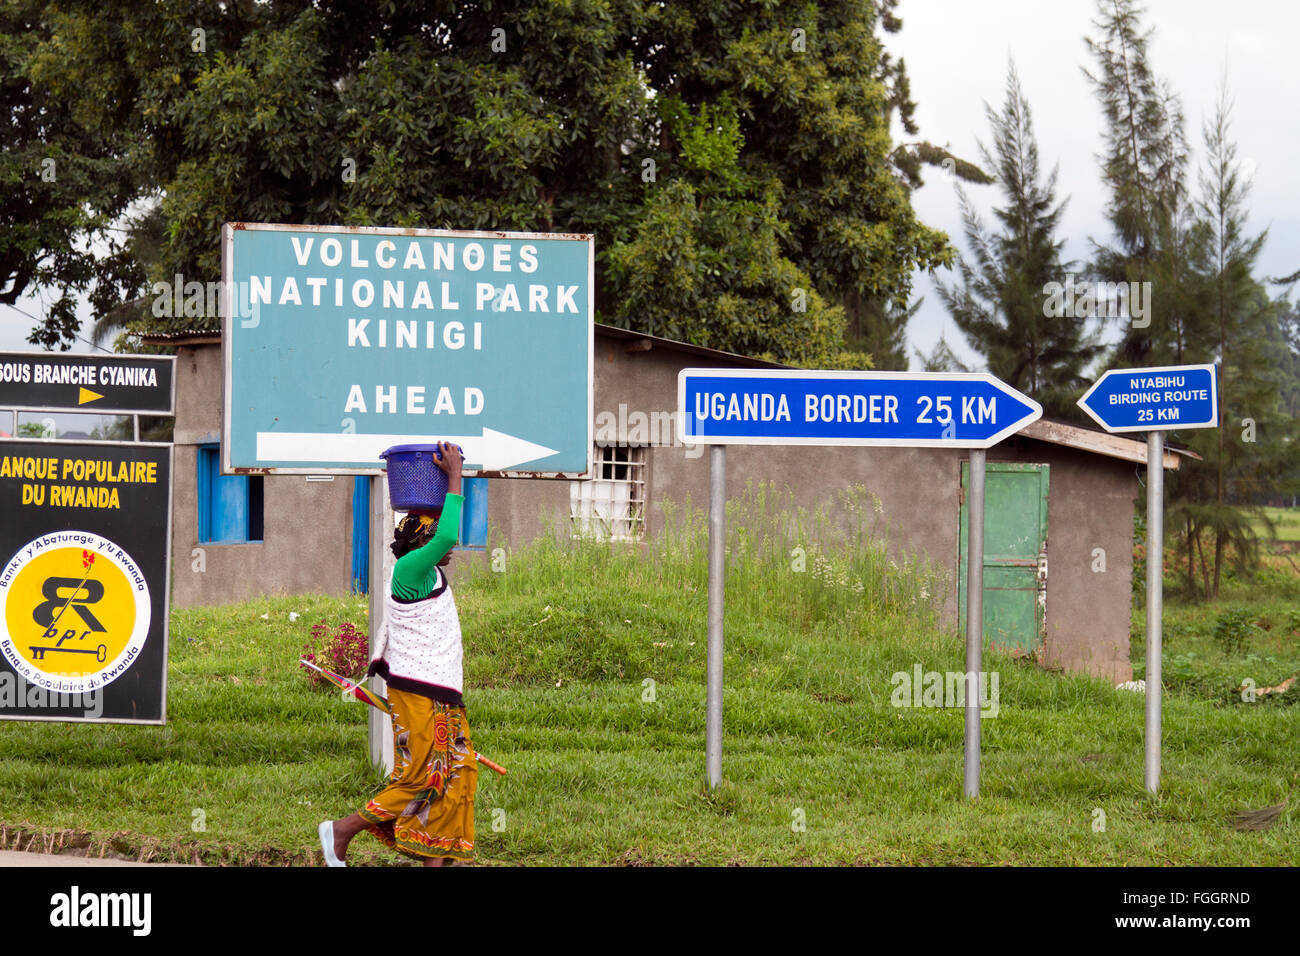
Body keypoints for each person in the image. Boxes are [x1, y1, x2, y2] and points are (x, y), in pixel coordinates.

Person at [319, 441, 477, 867]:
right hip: (418, 694)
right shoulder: (409, 571)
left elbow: (444, 538)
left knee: (455, 777)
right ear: (424, 540)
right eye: (440, 540)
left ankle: (435, 862)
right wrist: (456, 475)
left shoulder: (432, 574)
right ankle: (341, 829)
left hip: (443, 694)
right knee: (420, 777)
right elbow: (447, 532)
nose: (451, 547)